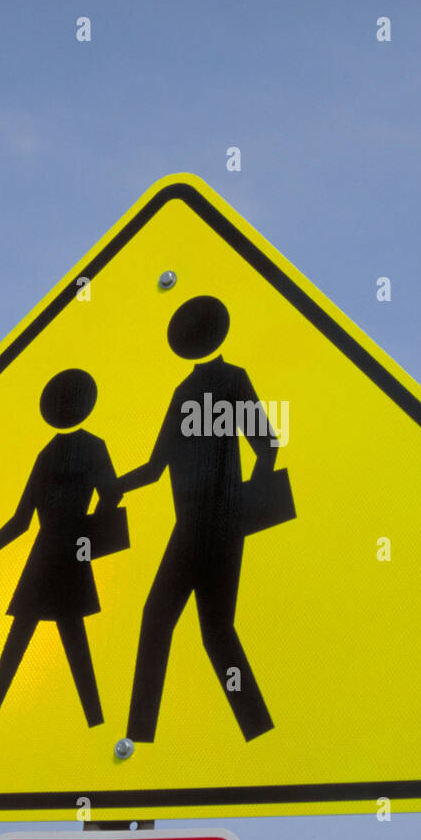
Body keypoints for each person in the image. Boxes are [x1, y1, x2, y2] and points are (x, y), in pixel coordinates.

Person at [117, 295, 281, 744]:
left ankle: (140, 735)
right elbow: (156, 468)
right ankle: (257, 730)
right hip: (199, 525)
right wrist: (115, 486)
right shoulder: (187, 391)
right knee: (212, 630)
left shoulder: (229, 381)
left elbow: (266, 444)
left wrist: (247, 502)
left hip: (211, 525)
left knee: (167, 620)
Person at [0, 368, 122, 732]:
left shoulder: (68, 450)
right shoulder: (65, 450)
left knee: (64, 640)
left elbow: (22, 520)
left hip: (56, 555)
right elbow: (23, 519)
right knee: (44, 639)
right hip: (57, 555)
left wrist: (89, 535)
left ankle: (94, 724)